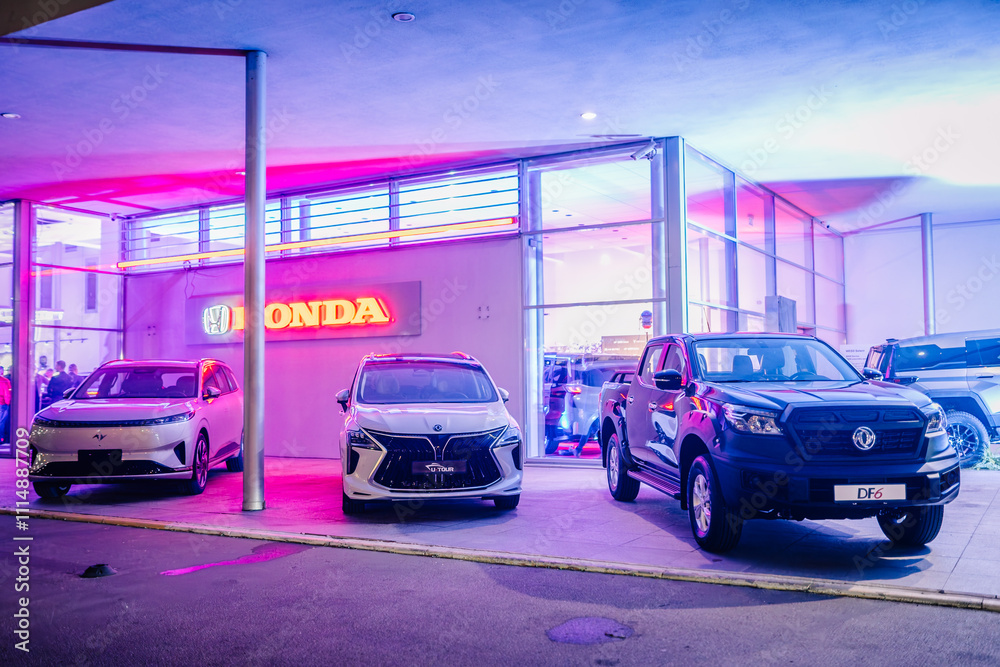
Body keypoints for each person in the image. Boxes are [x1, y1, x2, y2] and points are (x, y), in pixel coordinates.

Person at [0, 366, 10, 444]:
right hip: (2, 403)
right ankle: (1, 438)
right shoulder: (5, 381)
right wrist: (7, 403)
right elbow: (7, 394)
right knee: (1, 422)